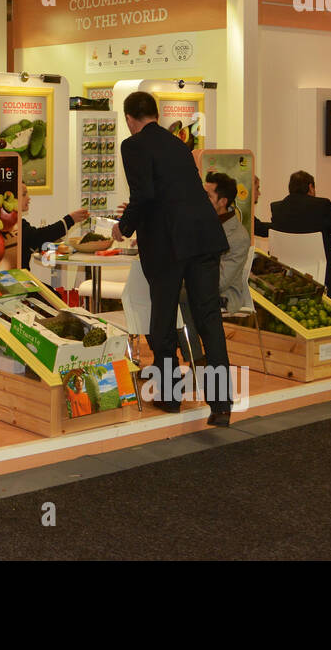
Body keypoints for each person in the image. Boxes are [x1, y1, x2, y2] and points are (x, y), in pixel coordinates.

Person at [115, 91, 233, 426]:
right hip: (204, 236)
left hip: (168, 242)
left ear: (129, 118)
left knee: (163, 319)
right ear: (155, 113)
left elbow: (145, 194)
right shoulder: (178, 144)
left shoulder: (133, 145)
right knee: (209, 319)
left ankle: (170, 397)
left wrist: (124, 227)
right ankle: (221, 405)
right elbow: (175, 193)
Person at [180, 171, 251, 363]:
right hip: (197, 284)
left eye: (208, 196)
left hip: (224, 294)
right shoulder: (200, 224)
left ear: (223, 201)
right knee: (161, 291)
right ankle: (166, 359)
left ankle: (197, 359)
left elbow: (219, 281)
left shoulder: (238, 237)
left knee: (180, 295)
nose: (201, 201)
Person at [270, 170, 331, 299]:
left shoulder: (277, 209)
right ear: (310, 187)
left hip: (288, 280)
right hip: (322, 278)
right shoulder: (322, 205)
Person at [19, 189, 88, 257]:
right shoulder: (16, 225)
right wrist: (70, 220)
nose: (28, 198)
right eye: (24, 194)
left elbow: (35, 242)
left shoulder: (19, 223)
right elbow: (38, 237)